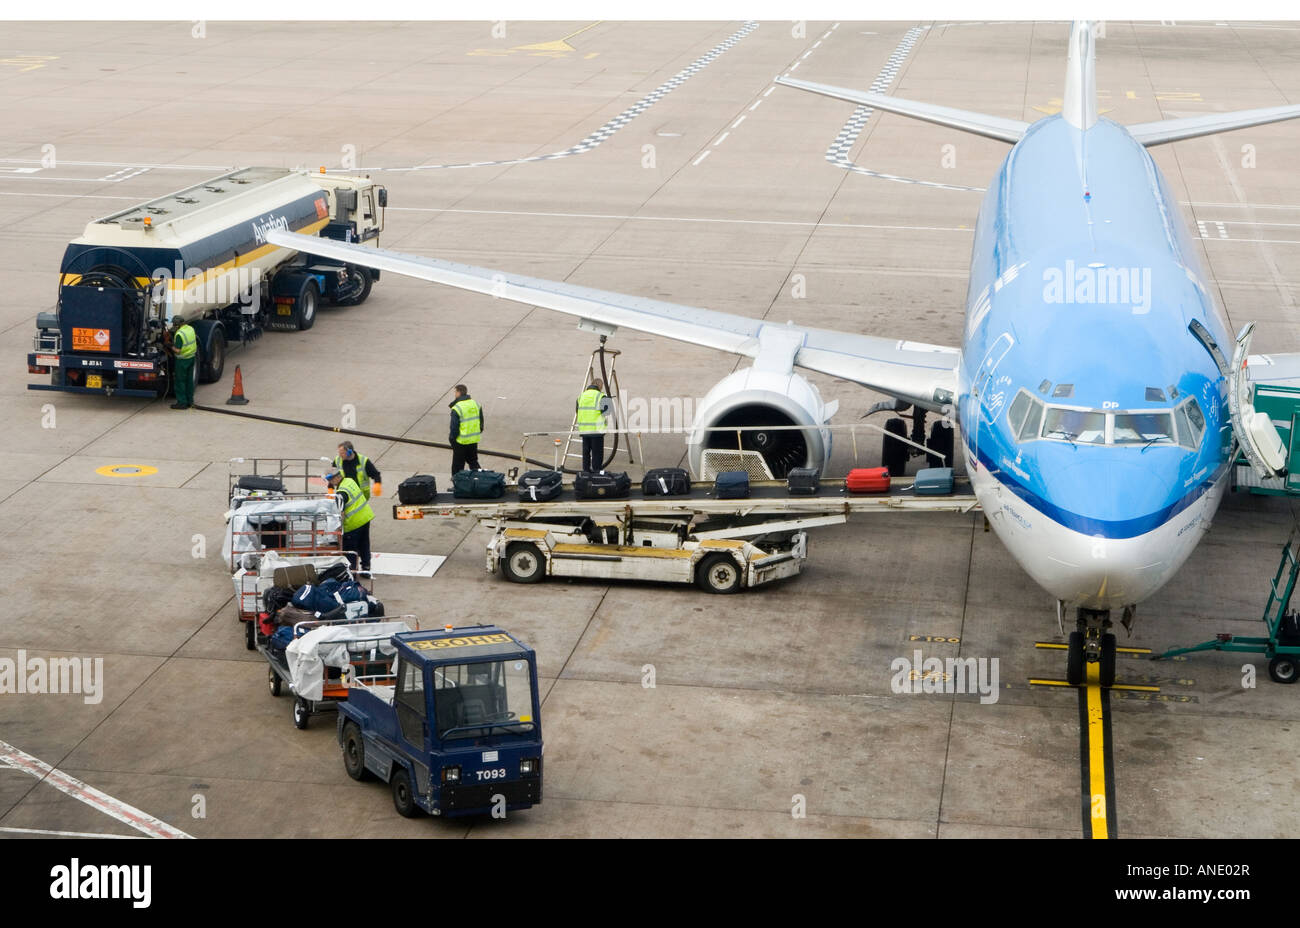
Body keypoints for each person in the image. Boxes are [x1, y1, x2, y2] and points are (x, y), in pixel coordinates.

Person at [327, 468, 374, 575]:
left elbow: (340, 514)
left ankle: (352, 572)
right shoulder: (349, 481)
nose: (330, 482)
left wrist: (338, 529)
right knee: (364, 544)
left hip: (353, 524)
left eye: (331, 479)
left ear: (338, 477)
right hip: (365, 518)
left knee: (350, 549)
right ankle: (366, 567)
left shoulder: (341, 493)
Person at [575, 377, 612, 472]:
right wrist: (609, 400)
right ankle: (596, 472)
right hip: (596, 430)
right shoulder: (600, 396)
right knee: (597, 453)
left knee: (586, 452)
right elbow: (607, 412)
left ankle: (586, 472)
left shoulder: (581, 396)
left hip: (584, 430)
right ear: (600, 386)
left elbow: (577, 411)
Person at [449, 384, 483, 473]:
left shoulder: (457, 408)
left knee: (458, 465)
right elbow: (481, 422)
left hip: (461, 441)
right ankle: (480, 479)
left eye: (455, 392)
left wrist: (452, 439)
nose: (454, 394)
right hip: (473, 440)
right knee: (473, 462)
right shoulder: (476, 404)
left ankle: (457, 484)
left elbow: (454, 427)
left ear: (458, 392)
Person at [166, 315, 197, 409]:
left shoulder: (179, 334)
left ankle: (182, 403)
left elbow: (178, 350)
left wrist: (169, 345)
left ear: (177, 325)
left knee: (180, 382)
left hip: (182, 361)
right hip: (191, 358)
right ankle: (190, 401)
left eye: (174, 325)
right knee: (189, 381)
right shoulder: (190, 328)